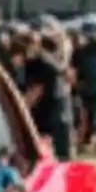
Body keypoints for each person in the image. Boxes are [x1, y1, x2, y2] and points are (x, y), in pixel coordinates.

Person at [24, 33, 75, 161]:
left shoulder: (37, 61)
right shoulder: (53, 61)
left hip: (45, 111)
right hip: (60, 109)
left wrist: (23, 107)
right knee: (62, 154)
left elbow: (36, 89)